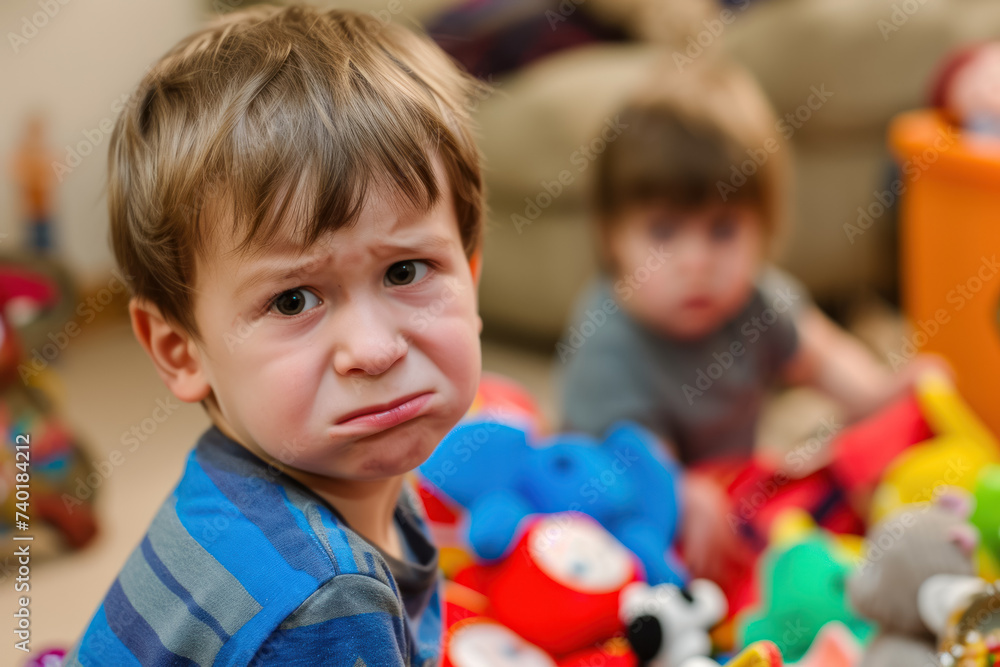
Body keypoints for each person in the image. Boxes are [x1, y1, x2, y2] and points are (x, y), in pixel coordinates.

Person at [67, 5, 486, 665]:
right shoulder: (324, 602)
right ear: (180, 349)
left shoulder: (266, 480)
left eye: (406, 270)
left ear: (472, 271)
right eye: (293, 299)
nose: (375, 350)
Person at [557, 58, 942, 587]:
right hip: (622, 515)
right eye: (664, 232)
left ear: (765, 230)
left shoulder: (758, 302)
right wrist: (678, 491)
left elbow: (825, 358)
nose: (696, 263)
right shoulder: (608, 338)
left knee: (832, 501)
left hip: (736, 497)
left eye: (722, 231)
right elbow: (626, 462)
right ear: (612, 238)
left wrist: (887, 393)